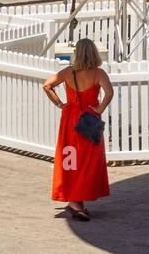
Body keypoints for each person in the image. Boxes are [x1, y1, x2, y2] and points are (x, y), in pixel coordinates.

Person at [44, 37, 113, 220]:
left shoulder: (68, 72)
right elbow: (109, 92)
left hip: (71, 119)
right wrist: (99, 108)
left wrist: (60, 103)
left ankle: (75, 200)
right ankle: (76, 202)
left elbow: (47, 85)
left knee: (71, 159)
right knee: (89, 161)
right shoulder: (99, 73)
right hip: (90, 120)